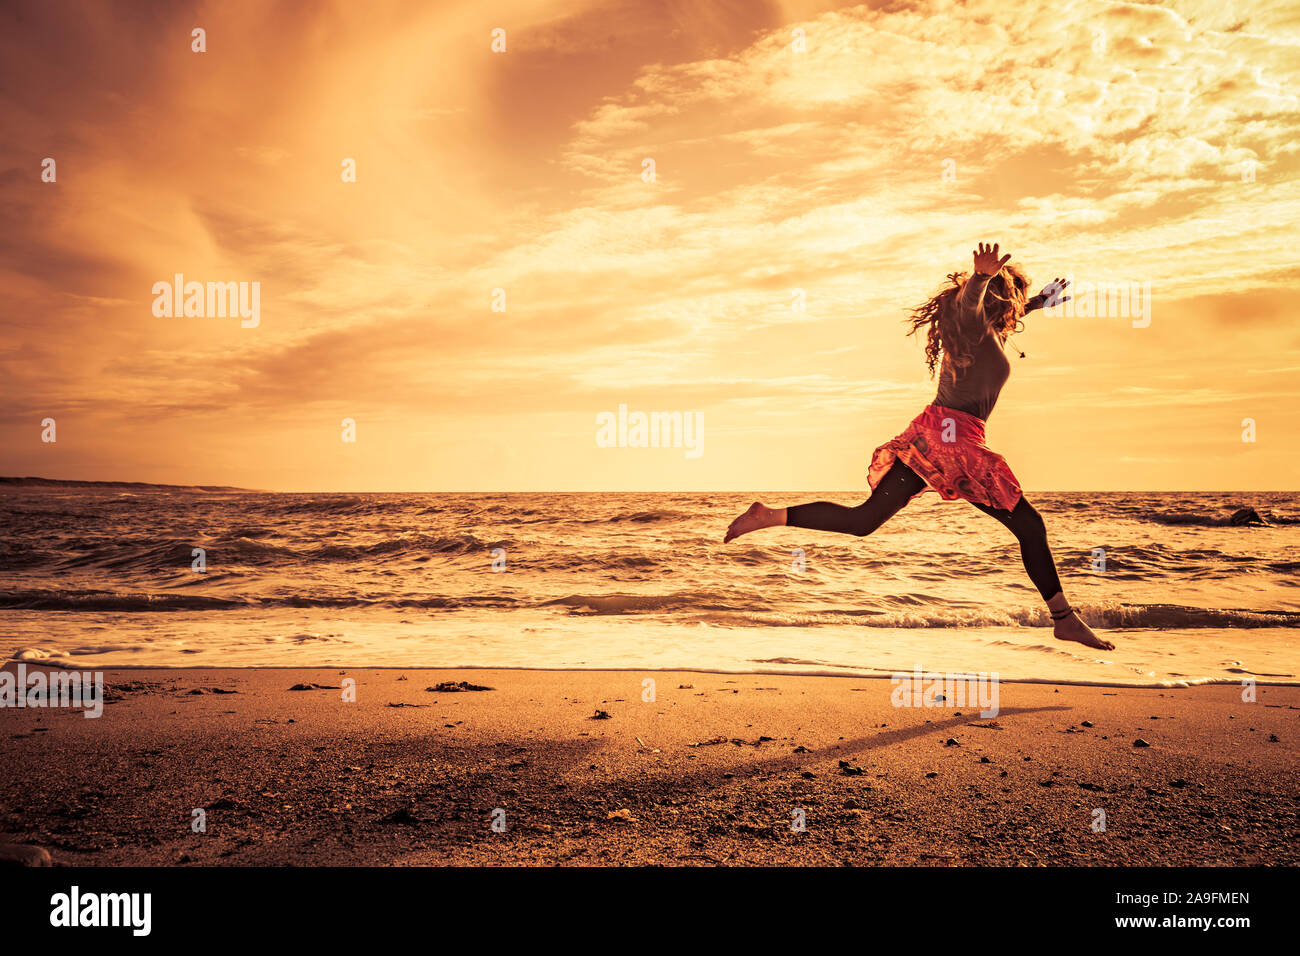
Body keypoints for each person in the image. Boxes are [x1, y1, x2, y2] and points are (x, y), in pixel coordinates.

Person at [724, 242, 1114, 651]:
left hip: (932, 436)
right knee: (1030, 527)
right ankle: (1064, 620)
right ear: (999, 297)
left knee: (865, 521)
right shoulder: (973, 325)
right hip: (954, 442)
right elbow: (969, 307)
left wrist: (1036, 302)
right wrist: (980, 278)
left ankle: (771, 515)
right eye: (1014, 294)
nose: (1016, 304)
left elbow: (998, 312)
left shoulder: (989, 332)